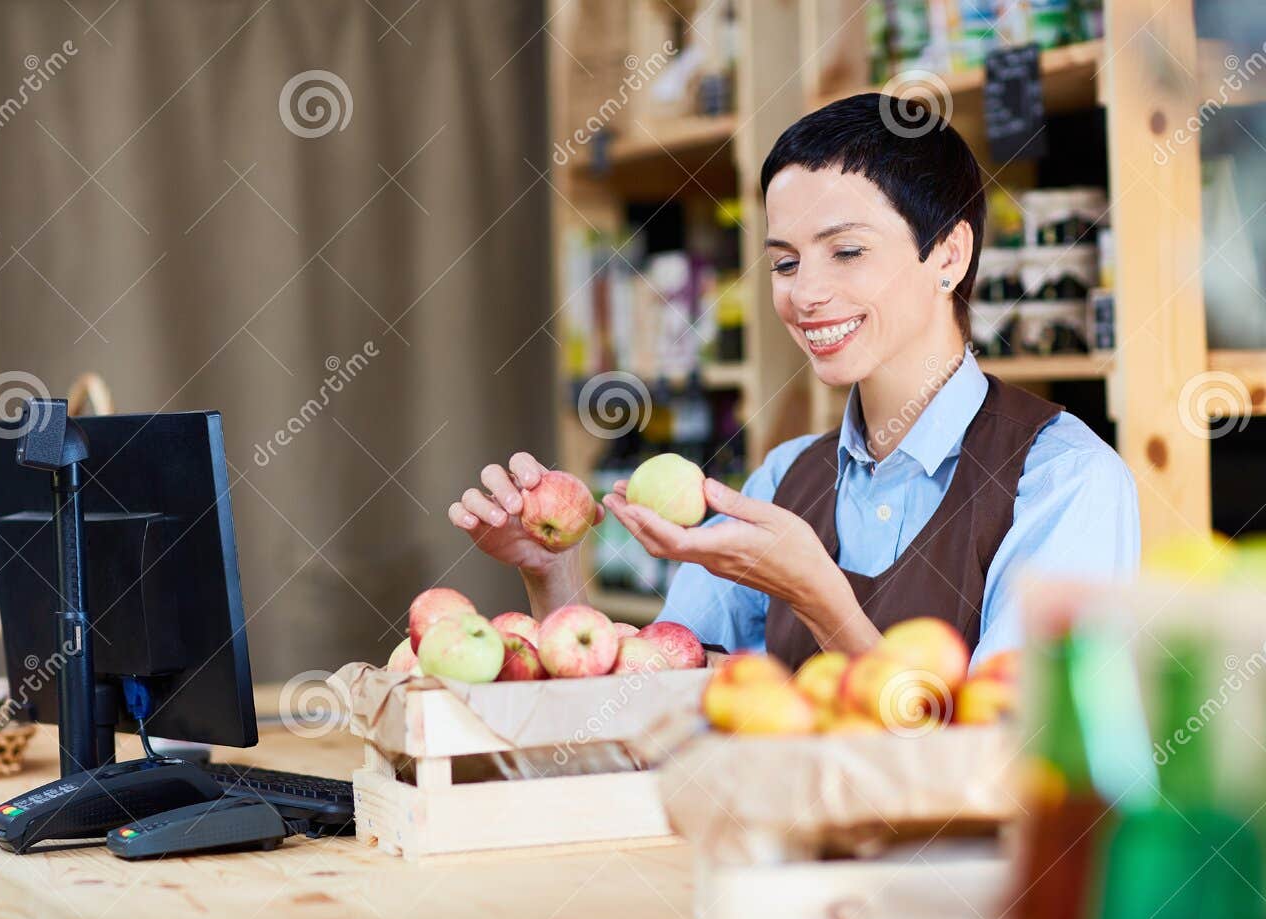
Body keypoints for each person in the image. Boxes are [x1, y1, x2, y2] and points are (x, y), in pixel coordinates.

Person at [447, 93, 1139, 669]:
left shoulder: (1065, 481)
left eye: (847, 251)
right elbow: (654, 691)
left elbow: (1010, 759)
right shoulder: (783, 479)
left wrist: (818, 596)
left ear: (949, 256)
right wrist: (552, 572)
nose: (805, 294)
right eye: (784, 263)